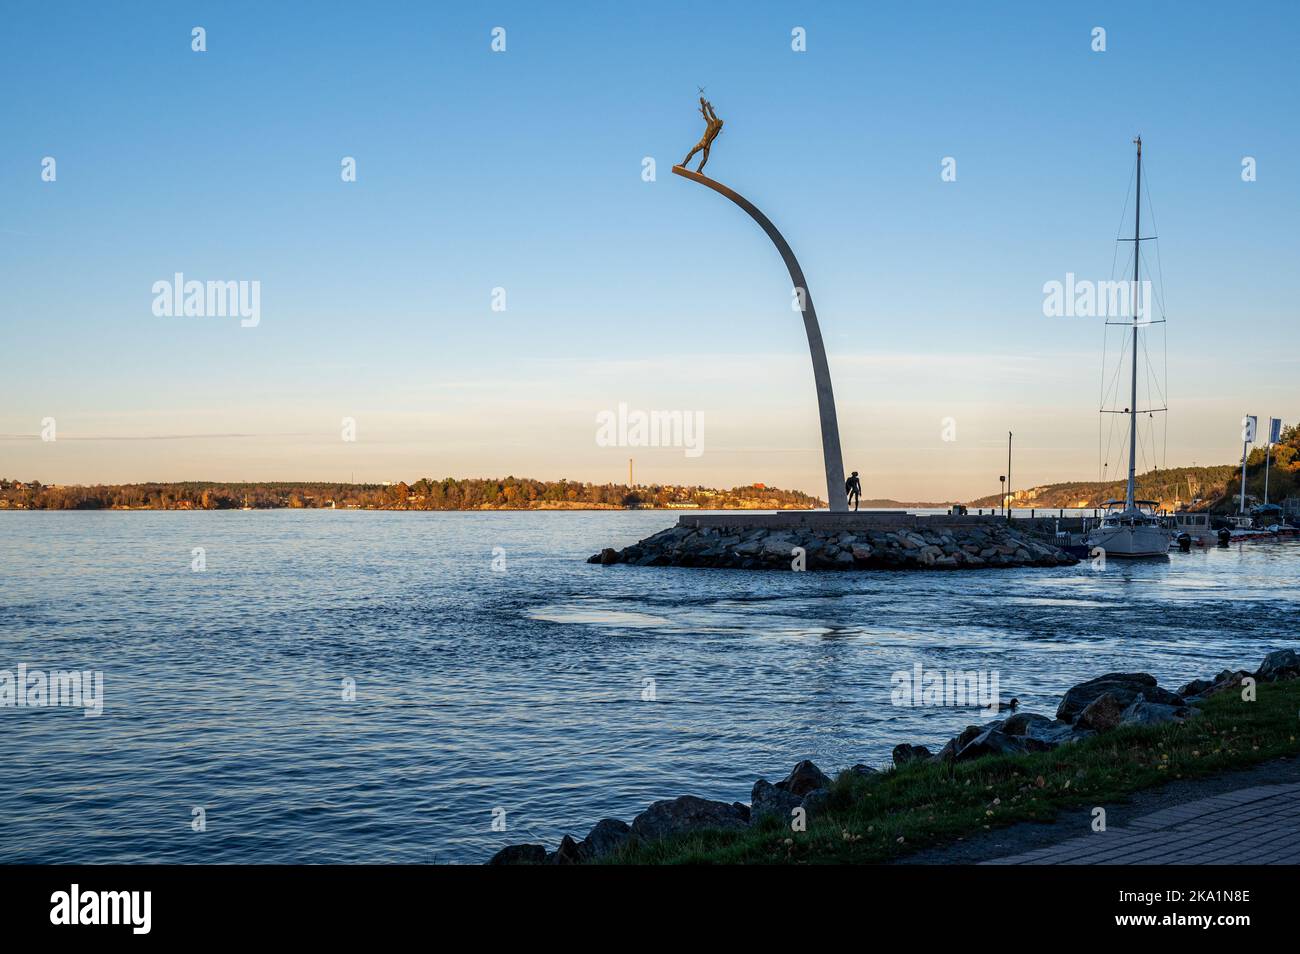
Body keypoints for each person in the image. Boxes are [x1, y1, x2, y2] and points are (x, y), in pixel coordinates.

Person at [680, 97, 724, 173]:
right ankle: (688, 166)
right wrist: (705, 105)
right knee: (702, 157)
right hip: (707, 144)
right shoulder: (716, 126)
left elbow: (708, 113)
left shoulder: (713, 124)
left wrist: (705, 105)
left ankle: (694, 168)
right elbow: (709, 114)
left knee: (697, 154)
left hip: (704, 143)